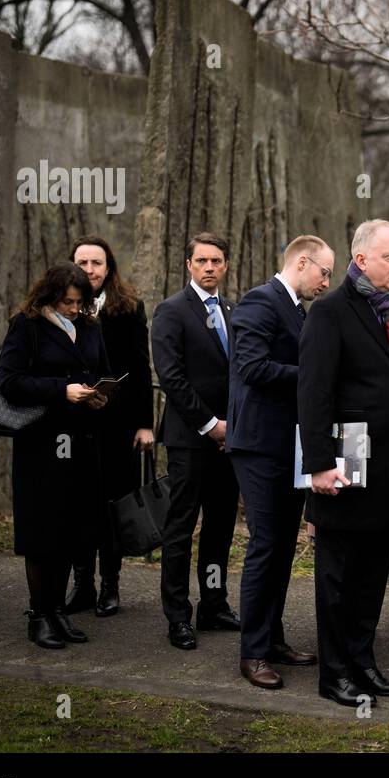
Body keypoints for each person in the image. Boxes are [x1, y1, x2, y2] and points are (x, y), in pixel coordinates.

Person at [298, 219, 389, 707]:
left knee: (374, 570)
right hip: (345, 458)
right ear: (361, 260)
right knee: (339, 575)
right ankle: (334, 674)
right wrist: (318, 466)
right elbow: (313, 393)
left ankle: (363, 662)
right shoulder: (330, 312)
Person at [229, 235, 334, 689]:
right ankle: (252, 652)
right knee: (266, 548)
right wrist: (314, 378)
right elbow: (251, 367)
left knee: (281, 550)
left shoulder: (296, 308)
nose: (326, 282)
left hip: (287, 446)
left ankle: (272, 638)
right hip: (260, 446)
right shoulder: (259, 301)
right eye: (324, 272)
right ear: (302, 261)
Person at [0, 263, 111, 648]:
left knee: (71, 530)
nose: (74, 309)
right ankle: (39, 613)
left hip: (82, 441)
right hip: (42, 444)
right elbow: (10, 383)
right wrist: (62, 390)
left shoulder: (91, 327)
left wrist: (100, 397)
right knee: (42, 531)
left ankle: (59, 610)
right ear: (49, 296)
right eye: (67, 302)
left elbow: (103, 371)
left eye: (80, 303)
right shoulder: (26, 325)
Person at [151, 232, 241, 651]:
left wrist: (232, 427)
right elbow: (172, 378)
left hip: (229, 440)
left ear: (225, 266)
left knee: (220, 527)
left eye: (216, 261)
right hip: (191, 439)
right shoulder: (171, 311)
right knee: (181, 527)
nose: (209, 267)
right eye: (201, 260)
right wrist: (210, 424)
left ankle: (213, 603)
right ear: (189, 265)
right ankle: (177, 616)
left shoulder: (230, 310)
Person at [65, 236, 155, 618]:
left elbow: (140, 366)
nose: (89, 270)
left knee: (112, 507)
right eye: (82, 262)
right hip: (73, 425)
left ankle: (110, 587)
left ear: (108, 266)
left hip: (118, 427)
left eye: (96, 263)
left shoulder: (128, 307)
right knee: (78, 506)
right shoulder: (59, 308)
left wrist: (145, 425)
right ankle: (82, 585)